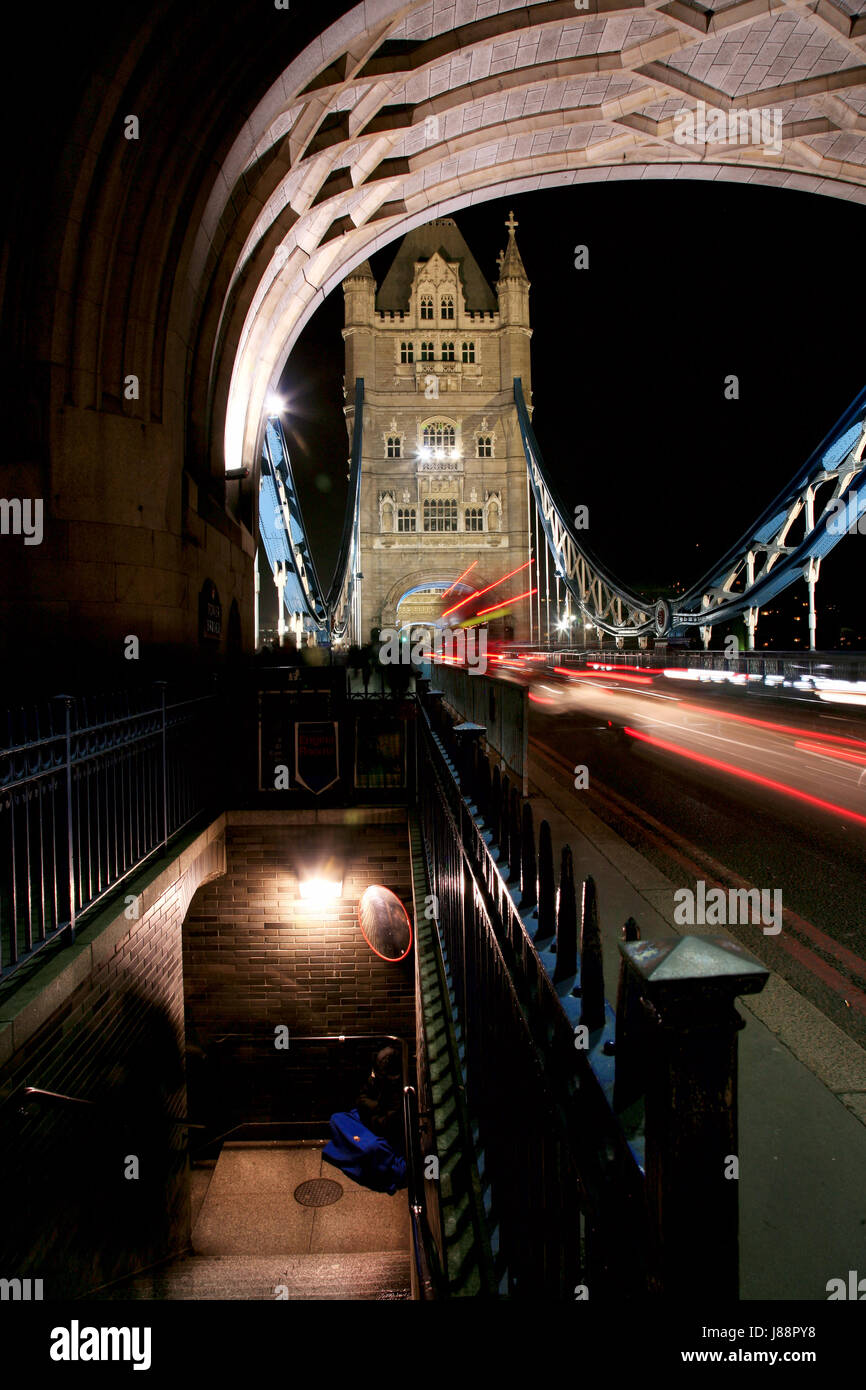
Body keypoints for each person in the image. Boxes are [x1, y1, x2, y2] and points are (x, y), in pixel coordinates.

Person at [355, 1046, 404, 1152]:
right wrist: (377, 1107)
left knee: (373, 1146)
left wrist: (371, 1115)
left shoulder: (397, 1087)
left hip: (379, 1127)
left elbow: (389, 1122)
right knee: (338, 1118)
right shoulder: (376, 1078)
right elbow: (362, 1098)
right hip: (372, 1116)